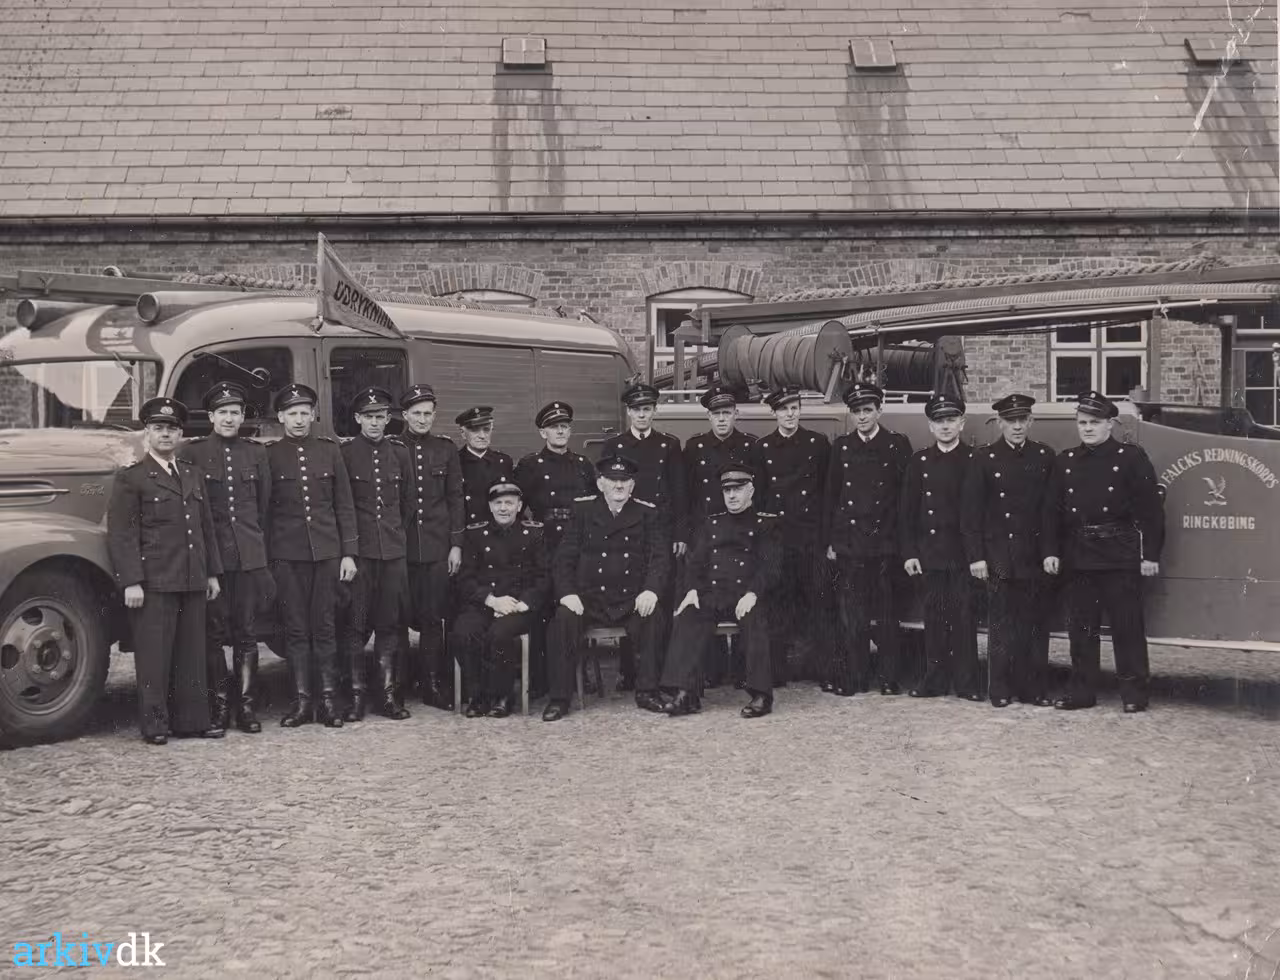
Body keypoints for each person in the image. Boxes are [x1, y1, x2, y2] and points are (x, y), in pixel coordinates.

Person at [107, 397, 223, 744]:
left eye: (172, 429)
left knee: (192, 654)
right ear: (147, 433)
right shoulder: (132, 478)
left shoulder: (191, 474)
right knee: (154, 657)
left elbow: (205, 527)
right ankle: (156, 725)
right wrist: (131, 581)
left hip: (192, 577)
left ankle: (192, 722)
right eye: (158, 428)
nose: (166, 434)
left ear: (180, 434)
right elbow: (122, 533)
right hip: (155, 581)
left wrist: (211, 573)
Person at [1042, 390, 1165, 713]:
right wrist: (1051, 550)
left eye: (1094, 423)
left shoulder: (1131, 458)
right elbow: (1051, 512)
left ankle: (1134, 694)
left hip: (1119, 556)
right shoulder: (1065, 461)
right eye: (1082, 423)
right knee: (1081, 630)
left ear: (1110, 424)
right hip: (1078, 557)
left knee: (1127, 628)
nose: (1087, 428)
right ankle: (1082, 692)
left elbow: (1151, 511)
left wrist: (1150, 555)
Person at [543, 454, 671, 721]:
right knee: (562, 619)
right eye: (612, 480)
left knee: (654, 617)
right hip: (590, 599)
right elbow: (564, 559)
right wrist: (567, 593)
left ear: (632, 485)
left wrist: (650, 590)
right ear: (600, 484)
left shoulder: (647, 513)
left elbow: (659, 558)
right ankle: (559, 698)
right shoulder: (583, 512)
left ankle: (648, 691)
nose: (619, 485)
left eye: (624, 480)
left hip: (629, 598)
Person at [178, 381, 273, 733]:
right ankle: (219, 707)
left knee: (247, 633)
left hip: (248, 558)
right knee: (213, 635)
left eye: (235, 412)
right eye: (223, 412)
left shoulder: (255, 453)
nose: (229, 418)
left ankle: (246, 708)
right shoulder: (193, 453)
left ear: (243, 416)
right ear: (211, 416)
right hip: (213, 560)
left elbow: (263, 507)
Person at [265, 383, 358, 728]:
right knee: (295, 629)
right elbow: (265, 512)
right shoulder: (270, 455)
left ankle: (329, 702)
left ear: (313, 415)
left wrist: (348, 553)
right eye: (293, 413)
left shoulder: (329, 451)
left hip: (327, 553)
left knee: (325, 626)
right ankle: (302, 703)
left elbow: (344, 506)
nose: (299, 419)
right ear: (281, 417)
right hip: (287, 556)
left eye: (305, 413)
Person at [661, 462, 782, 718]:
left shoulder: (765, 524)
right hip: (715, 593)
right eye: (727, 491)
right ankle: (686, 693)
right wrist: (692, 590)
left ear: (751, 491)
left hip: (747, 594)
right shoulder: (712, 524)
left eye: (738, 489)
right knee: (689, 614)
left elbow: (770, 566)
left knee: (755, 619)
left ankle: (761, 695)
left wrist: (753, 593)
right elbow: (695, 564)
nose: (732, 496)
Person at [961, 392, 1055, 708]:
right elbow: (971, 514)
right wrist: (976, 557)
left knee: (1034, 626)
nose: (1017, 426)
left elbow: (1050, 512)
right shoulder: (984, 458)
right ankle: (1000, 689)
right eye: (1010, 420)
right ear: (999, 423)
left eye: (1022, 420)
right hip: (998, 557)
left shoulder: (1044, 456)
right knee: (1001, 626)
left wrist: (1049, 551)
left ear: (1031, 421)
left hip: (1033, 556)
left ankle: (1032, 689)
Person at [823, 382, 913, 696]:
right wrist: (832, 541)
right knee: (853, 616)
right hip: (851, 544)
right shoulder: (842, 447)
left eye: (867, 410)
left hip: (884, 543)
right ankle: (856, 676)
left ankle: (889, 678)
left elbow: (905, 499)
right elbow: (833, 496)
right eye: (856, 411)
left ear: (879, 411)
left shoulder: (896, 444)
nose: (862, 416)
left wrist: (902, 544)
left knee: (887, 614)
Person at [599, 381, 688, 690]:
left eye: (647, 409)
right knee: (628, 594)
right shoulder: (615, 445)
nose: (641, 415)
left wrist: (680, 533)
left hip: (660, 529)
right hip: (628, 531)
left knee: (659, 597)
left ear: (654, 411)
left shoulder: (669, 445)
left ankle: (660, 669)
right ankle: (628, 671)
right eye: (636, 410)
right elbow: (608, 493)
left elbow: (679, 491)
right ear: (628, 412)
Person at [899, 393, 982, 701]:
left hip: (963, 555)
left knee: (964, 619)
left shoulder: (975, 459)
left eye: (951, 420)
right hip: (930, 554)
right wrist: (909, 553)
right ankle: (934, 681)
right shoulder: (919, 461)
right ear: (930, 426)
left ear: (962, 423)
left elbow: (981, 512)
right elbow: (907, 513)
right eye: (939, 421)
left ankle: (967, 683)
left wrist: (978, 556)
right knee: (933, 620)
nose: (945, 426)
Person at [683, 383, 764, 686]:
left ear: (735, 414)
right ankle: (712, 670)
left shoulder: (750, 446)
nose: (721, 419)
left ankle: (743, 671)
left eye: (726, 413)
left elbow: (759, 491)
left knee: (742, 595)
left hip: (741, 531)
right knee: (708, 594)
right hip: (707, 533)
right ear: (708, 417)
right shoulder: (695, 447)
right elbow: (687, 494)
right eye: (716, 414)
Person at [339, 387, 413, 722]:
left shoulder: (399, 453)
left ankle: (387, 696)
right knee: (355, 625)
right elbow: (342, 505)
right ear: (358, 418)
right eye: (368, 417)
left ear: (387, 419)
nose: (374, 422)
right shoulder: (345, 453)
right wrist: (350, 551)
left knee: (389, 624)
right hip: (361, 553)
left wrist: (394, 537)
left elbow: (407, 504)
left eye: (380, 417)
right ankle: (356, 697)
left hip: (393, 552)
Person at [514, 400, 596, 695]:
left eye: (564, 426)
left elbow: (594, 506)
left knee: (573, 609)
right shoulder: (530, 465)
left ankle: (578, 675)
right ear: (543, 433)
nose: (560, 431)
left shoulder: (583, 465)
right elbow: (517, 506)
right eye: (554, 427)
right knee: (542, 611)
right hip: (545, 544)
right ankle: (541, 678)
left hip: (577, 548)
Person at [451, 479, 549, 717]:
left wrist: (524, 603)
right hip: (485, 603)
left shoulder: (533, 533)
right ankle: (478, 696)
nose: (503, 508)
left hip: (518, 606)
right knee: (464, 631)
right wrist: (491, 600)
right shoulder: (476, 534)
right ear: (490, 506)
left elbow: (544, 575)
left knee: (499, 634)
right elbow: (465, 578)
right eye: (498, 503)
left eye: (509, 503)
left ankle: (503, 696)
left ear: (519, 506)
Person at [757, 385, 829, 683]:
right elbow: (760, 497)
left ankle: (820, 668)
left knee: (816, 602)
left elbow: (826, 492)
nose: (790, 414)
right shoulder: (763, 447)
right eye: (784, 409)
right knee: (778, 603)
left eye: (794, 408)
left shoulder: (818, 443)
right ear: (774, 413)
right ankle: (777, 669)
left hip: (809, 536)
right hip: (778, 538)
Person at [400, 384, 465, 709]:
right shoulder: (393, 447)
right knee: (397, 618)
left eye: (428, 414)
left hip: (437, 547)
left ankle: (432, 685)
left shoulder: (445, 449)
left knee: (432, 618)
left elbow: (455, 499)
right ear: (405, 415)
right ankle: (397, 685)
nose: (422, 419)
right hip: (401, 549)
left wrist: (456, 545)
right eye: (417, 413)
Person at [455, 406, 514, 528]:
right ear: (463, 433)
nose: (482, 436)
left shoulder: (504, 462)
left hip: (499, 531)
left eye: (486, 430)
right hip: (468, 532)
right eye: (475, 430)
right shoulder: (454, 462)